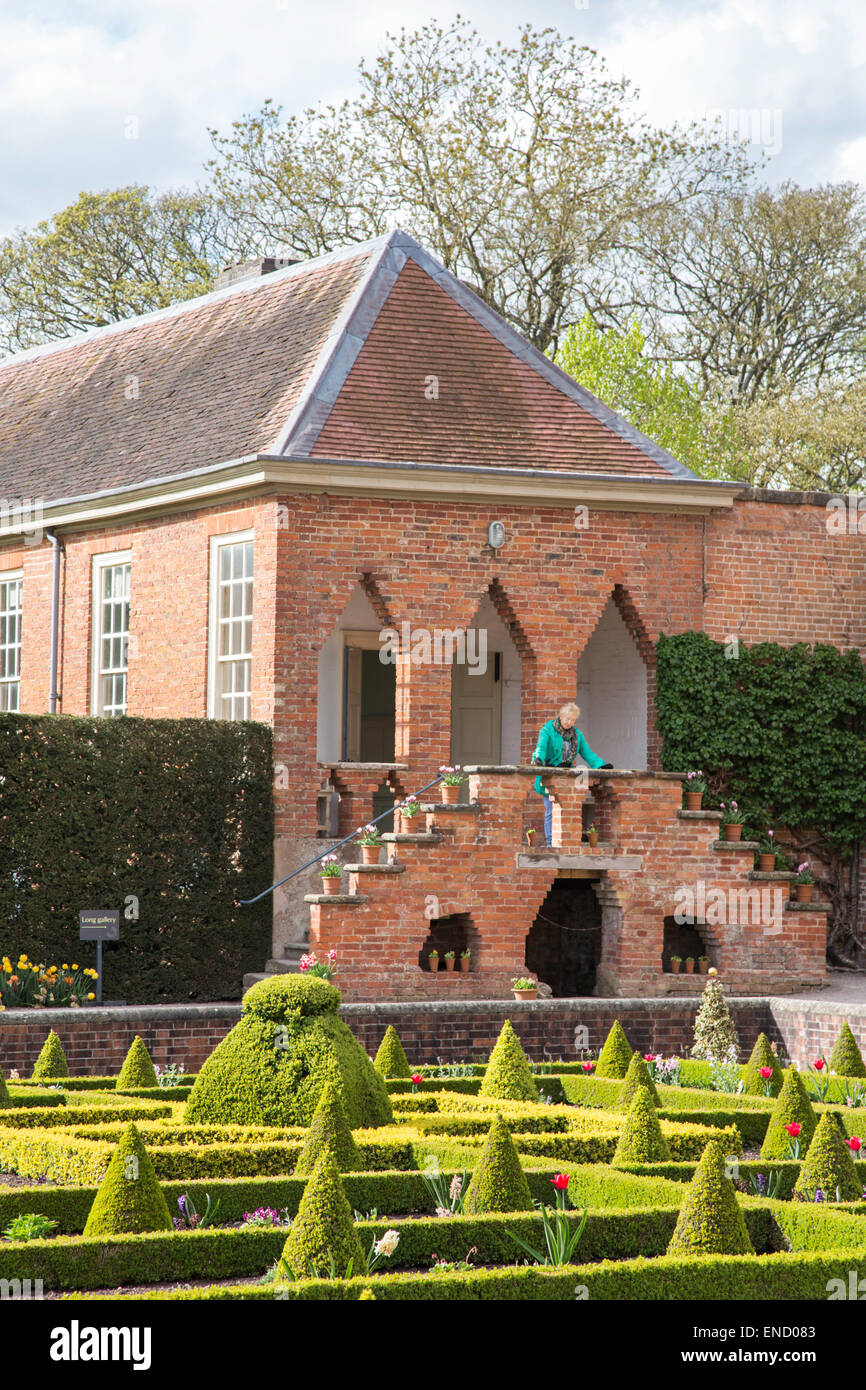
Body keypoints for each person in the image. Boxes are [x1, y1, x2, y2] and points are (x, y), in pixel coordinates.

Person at [531, 702, 612, 846]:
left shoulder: (576, 735)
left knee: (567, 809)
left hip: (566, 776)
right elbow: (541, 747)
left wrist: (600, 765)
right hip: (549, 773)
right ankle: (551, 843)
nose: (570, 723)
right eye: (567, 719)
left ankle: (565, 842)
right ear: (561, 716)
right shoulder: (548, 729)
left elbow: (588, 753)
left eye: (573, 720)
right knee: (550, 808)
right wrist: (538, 760)